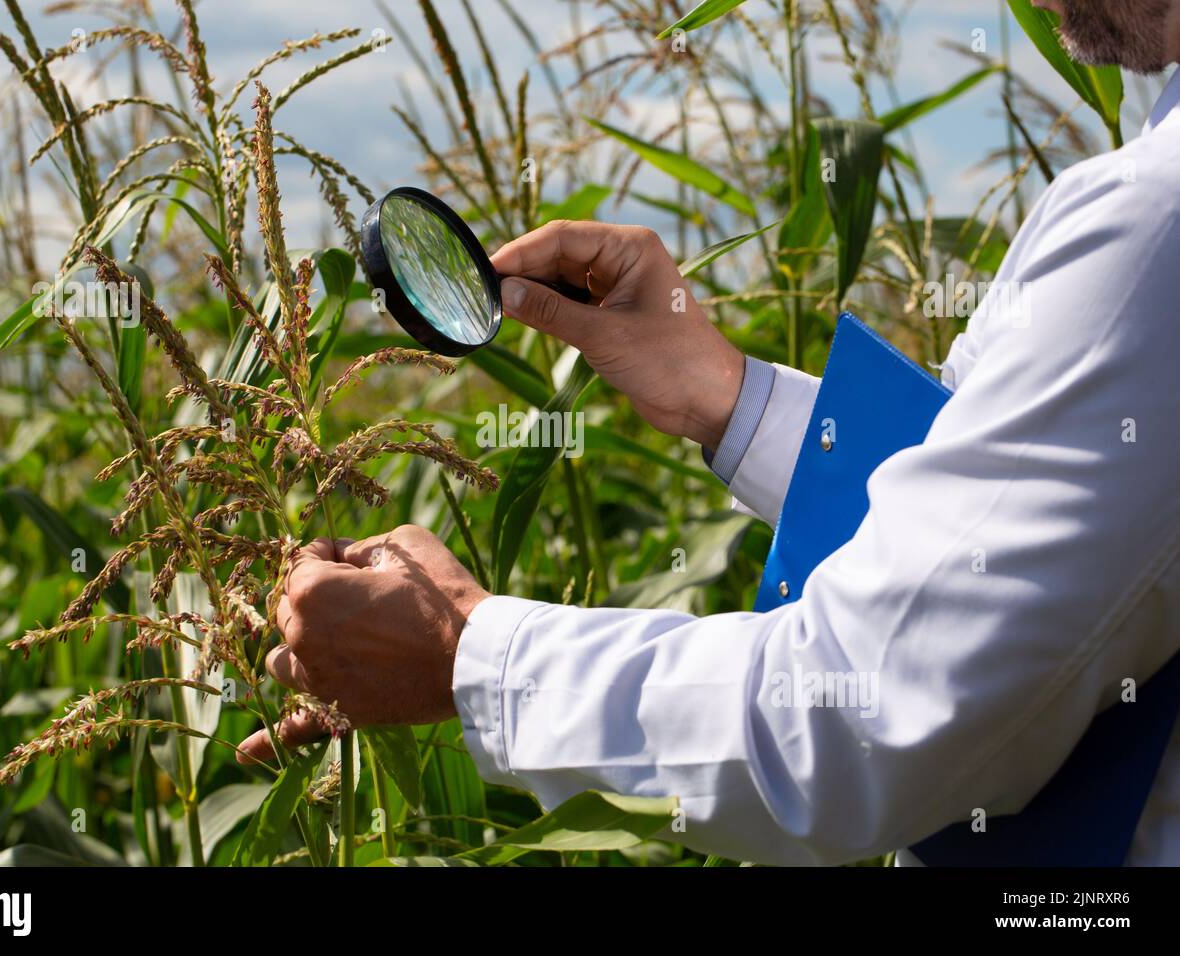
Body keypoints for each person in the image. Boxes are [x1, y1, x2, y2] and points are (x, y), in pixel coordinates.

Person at [238, 0, 1180, 865]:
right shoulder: (1141, 193)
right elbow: (975, 535)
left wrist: (469, 651)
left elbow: (857, 713)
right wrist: (726, 397)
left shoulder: (1155, 223)